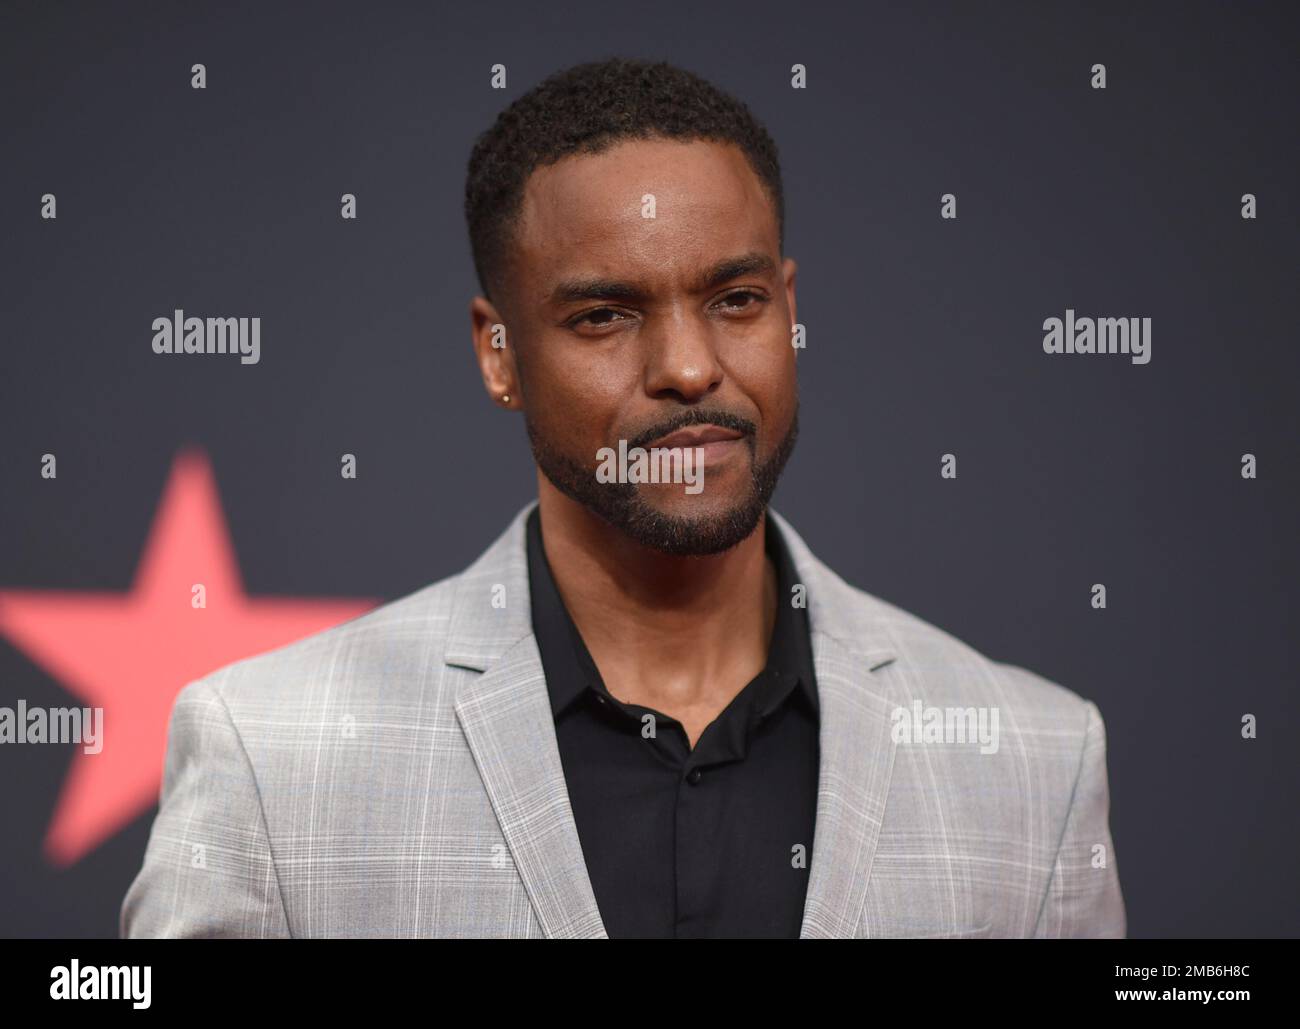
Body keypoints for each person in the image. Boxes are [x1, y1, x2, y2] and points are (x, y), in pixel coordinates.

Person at [121, 57, 1125, 938]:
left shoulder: (1033, 758)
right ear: (498, 353)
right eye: (604, 316)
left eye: (736, 300)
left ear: (788, 305)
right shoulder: (271, 754)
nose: (689, 369)